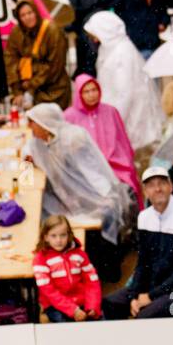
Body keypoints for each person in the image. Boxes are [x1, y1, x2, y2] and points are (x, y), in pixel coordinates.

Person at [101, 165, 173, 319]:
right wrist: (135, 294)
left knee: (147, 316)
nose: (157, 189)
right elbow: (143, 262)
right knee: (110, 303)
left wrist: (151, 296)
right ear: (145, 191)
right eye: (151, 185)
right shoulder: (144, 217)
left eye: (162, 183)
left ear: (171, 186)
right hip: (155, 285)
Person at [27, 103, 134, 255]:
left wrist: (106, 195)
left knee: (104, 212)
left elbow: (92, 171)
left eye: (32, 122)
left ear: (45, 123)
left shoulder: (72, 138)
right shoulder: (37, 143)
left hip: (87, 194)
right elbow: (26, 158)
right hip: (64, 195)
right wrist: (27, 164)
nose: (29, 126)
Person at [84, 11, 165, 154]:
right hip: (117, 114)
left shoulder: (122, 53)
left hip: (129, 115)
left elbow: (124, 93)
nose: (94, 39)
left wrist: (114, 122)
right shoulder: (110, 49)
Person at [64, 74, 141, 204]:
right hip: (87, 170)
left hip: (116, 165)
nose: (91, 94)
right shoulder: (69, 117)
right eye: (86, 91)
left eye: (94, 90)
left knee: (128, 189)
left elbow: (123, 143)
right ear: (79, 94)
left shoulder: (110, 111)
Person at [33, 215, 103, 323]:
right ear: (46, 237)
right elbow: (49, 291)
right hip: (54, 304)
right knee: (66, 327)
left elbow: (92, 281)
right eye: (53, 236)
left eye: (63, 235)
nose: (59, 240)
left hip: (80, 300)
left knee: (98, 320)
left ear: (69, 235)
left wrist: (92, 305)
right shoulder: (41, 259)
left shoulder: (79, 254)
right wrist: (73, 310)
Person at [4, 0, 71, 111]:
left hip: (54, 89)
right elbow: (10, 61)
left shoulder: (52, 31)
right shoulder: (17, 32)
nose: (27, 17)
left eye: (30, 13)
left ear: (36, 12)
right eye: (23, 15)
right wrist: (17, 91)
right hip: (28, 91)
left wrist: (31, 86)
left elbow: (54, 66)